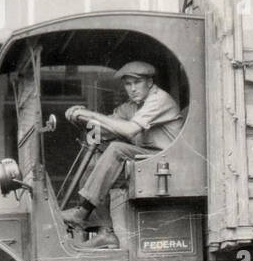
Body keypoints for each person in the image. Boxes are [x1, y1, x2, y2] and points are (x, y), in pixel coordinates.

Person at [60, 61, 181, 247]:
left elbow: (128, 130)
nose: (132, 89)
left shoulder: (159, 99)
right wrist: (82, 118)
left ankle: (81, 213)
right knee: (96, 160)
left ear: (149, 82)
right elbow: (105, 130)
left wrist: (91, 114)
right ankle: (105, 233)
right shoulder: (132, 106)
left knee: (117, 149)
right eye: (127, 84)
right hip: (147, 161)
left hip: (169, 164)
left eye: (137, 82)